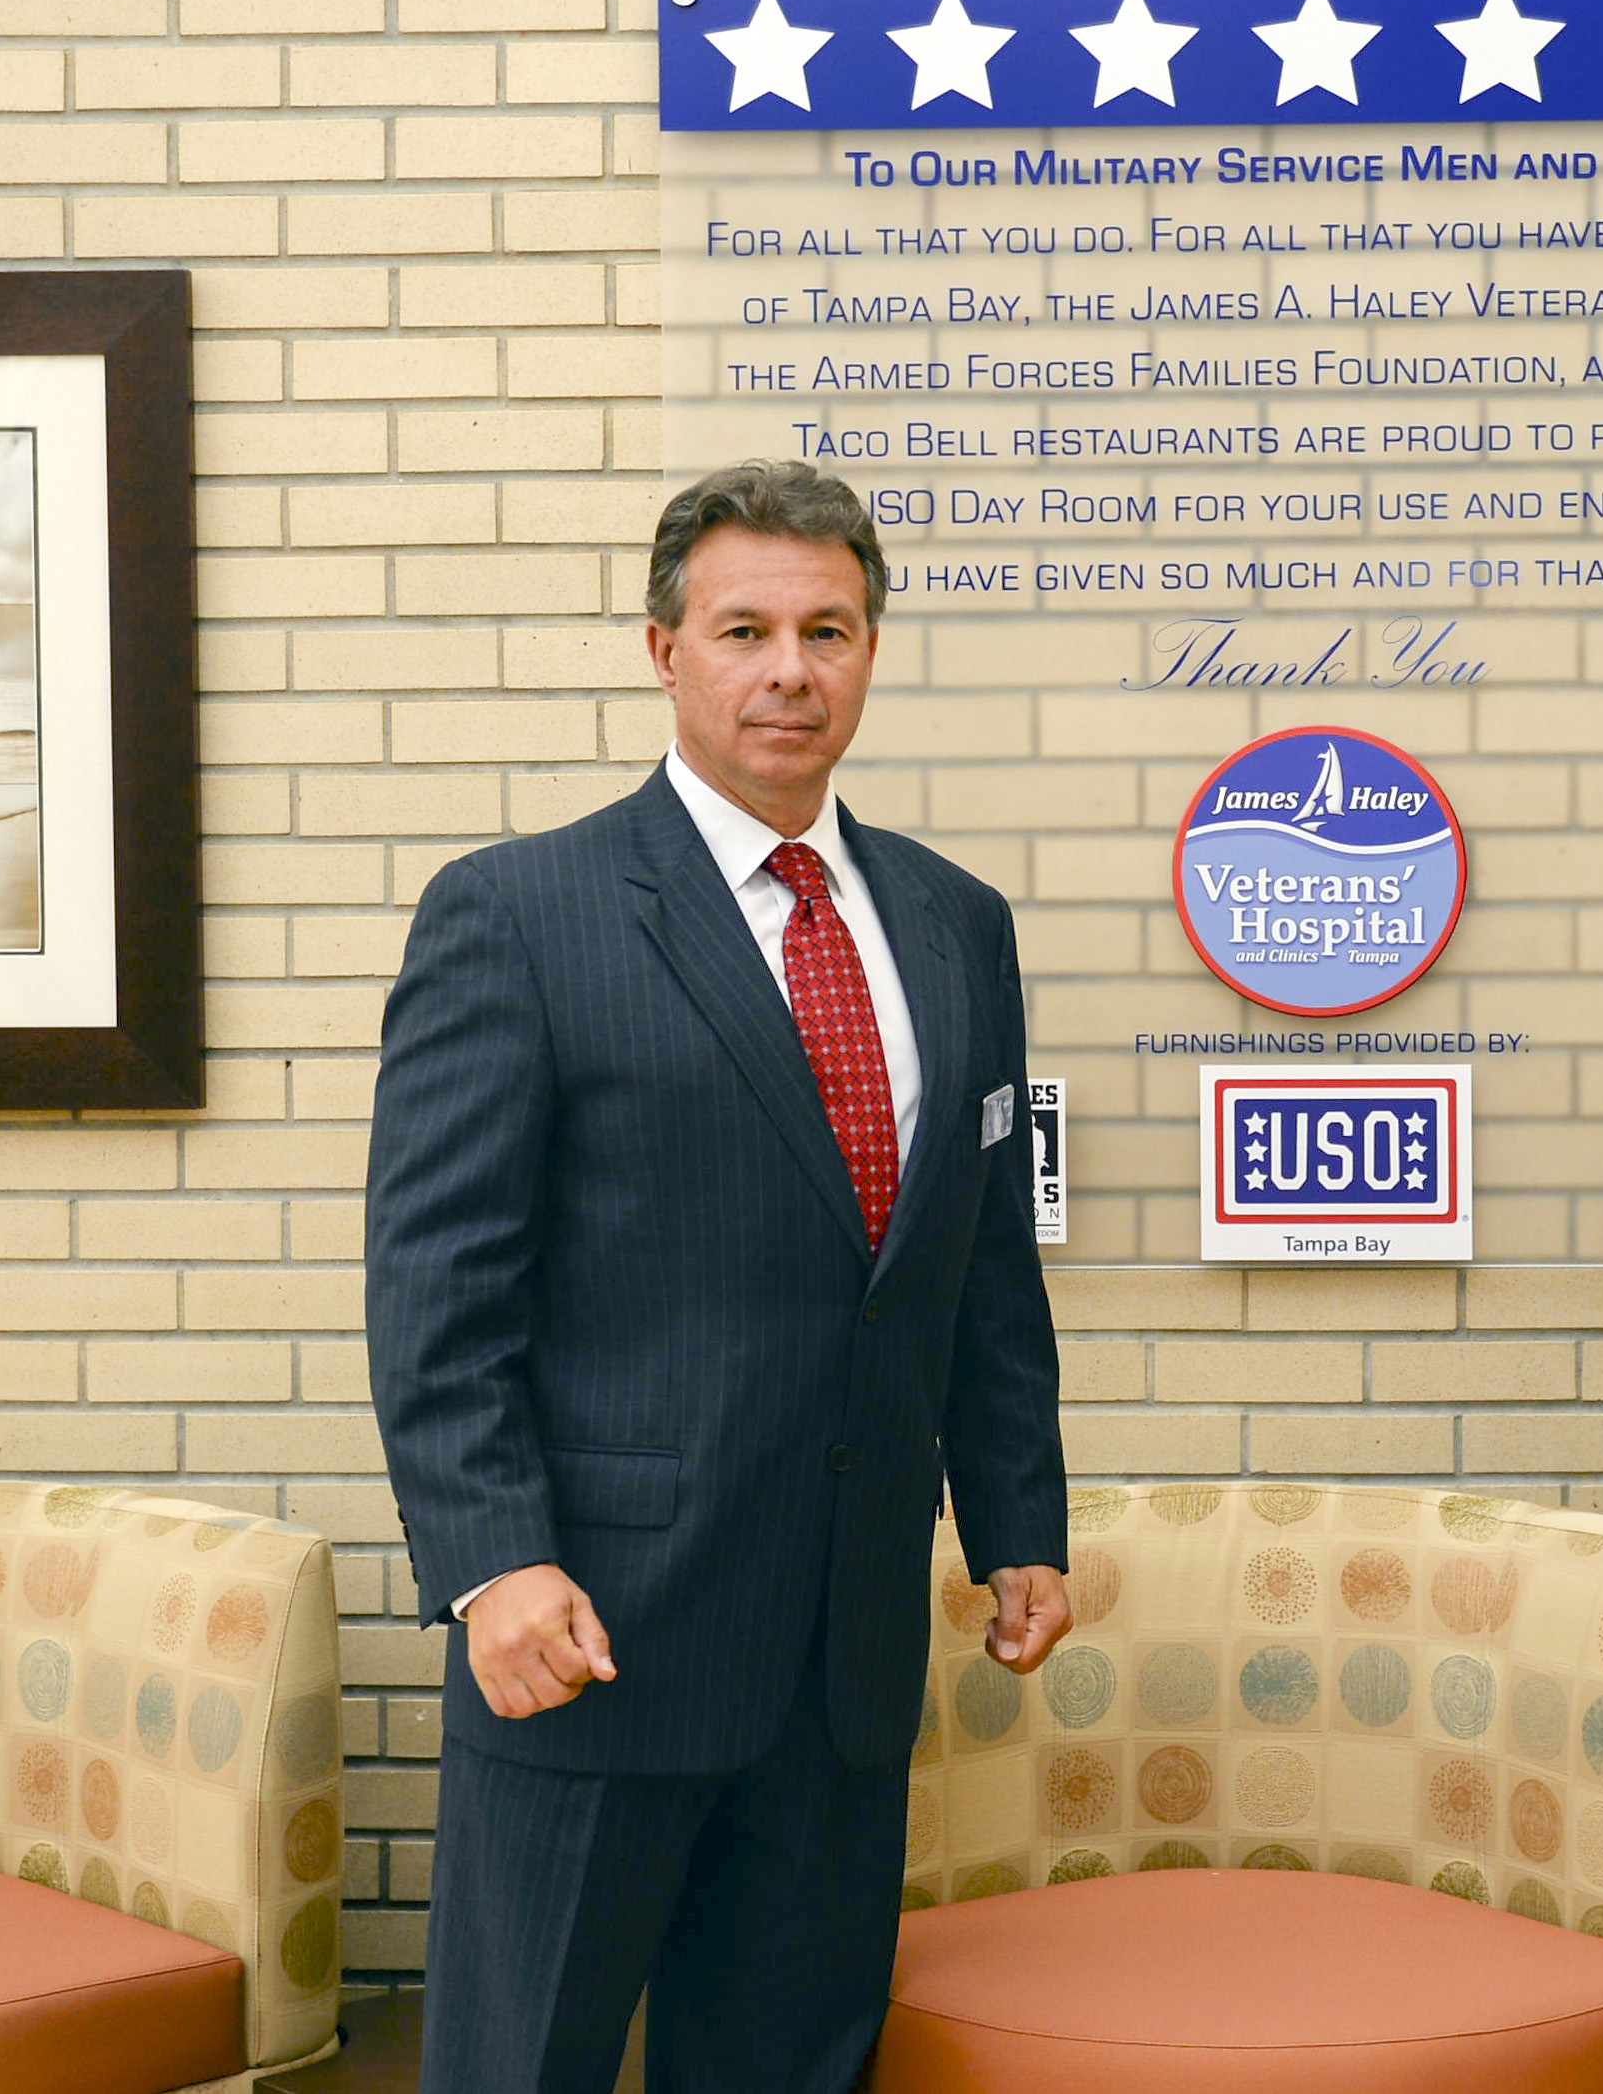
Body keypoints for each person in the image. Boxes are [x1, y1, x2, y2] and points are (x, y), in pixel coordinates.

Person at [366, 460, 1073, 2094]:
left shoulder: (954, 923)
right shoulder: (518, 913)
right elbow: (438, 1284)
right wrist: (493, 1563)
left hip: (841, 1649)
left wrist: (1017, 1516)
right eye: (743, 628)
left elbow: (972, 1269)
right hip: (592, 1635)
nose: (789, 669)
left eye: (829, 629)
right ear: (662, 649)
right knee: (519, 2065)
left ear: (872, 650)